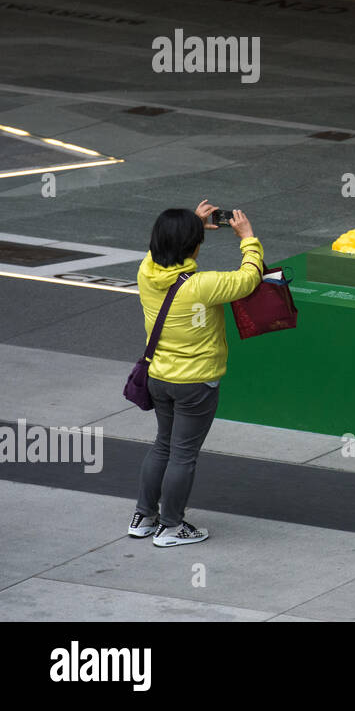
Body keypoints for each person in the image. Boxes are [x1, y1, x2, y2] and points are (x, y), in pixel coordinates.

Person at [130, 200, 263, 547]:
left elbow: (159, 248)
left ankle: (144, 517)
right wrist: (247, 237)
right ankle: (171, 527)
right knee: (183, 454)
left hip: (158, 377)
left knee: (163, 445)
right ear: (193, 246)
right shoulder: (202, 286)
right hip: (196, 384)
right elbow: (250, 277)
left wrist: (190, 226)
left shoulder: (146, 272)